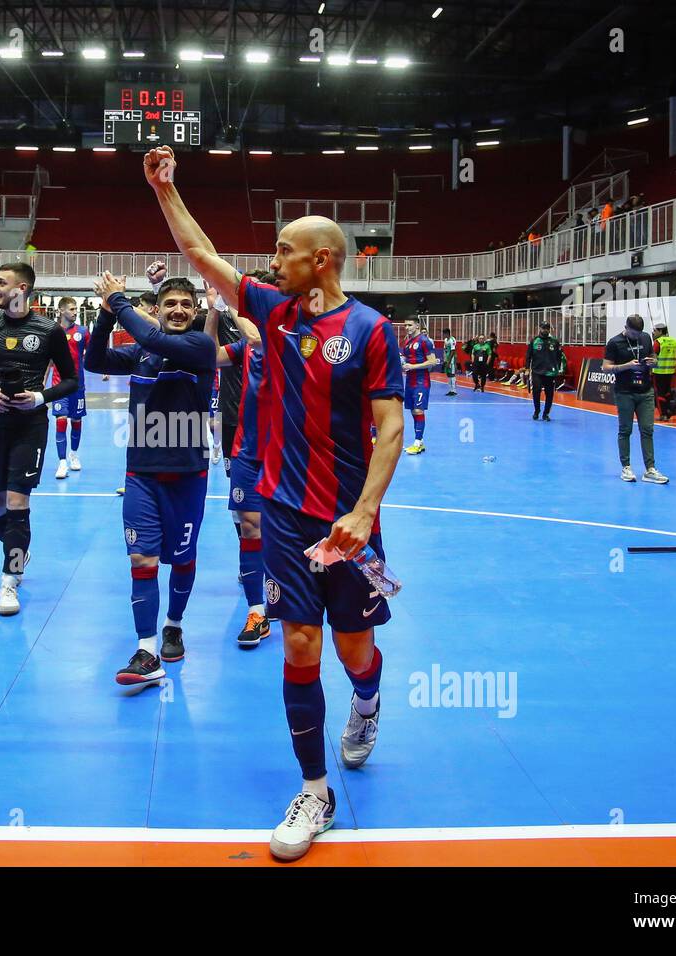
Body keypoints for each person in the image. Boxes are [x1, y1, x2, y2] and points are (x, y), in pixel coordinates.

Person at [144, 143, 406, 862]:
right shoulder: (271, 309)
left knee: (355, 649)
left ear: (322, 260)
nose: (273, 259)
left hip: (348, 521)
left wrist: (362, 511)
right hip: (284, 514)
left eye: (286, 251)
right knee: (297, 642)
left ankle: (367, 702)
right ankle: (314, 789)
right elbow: (200, 255)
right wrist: (167, 189)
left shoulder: (370, 332)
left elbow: (392, 428)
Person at [84, 271, 216, 686]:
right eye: (170, 304)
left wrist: (118, 299)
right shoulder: (143, 351)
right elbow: (94, 361)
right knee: (141, 559)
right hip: (140, 474)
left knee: (181, 557)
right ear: (157, 309)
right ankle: (145, 650)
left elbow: (158, 339)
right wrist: (106, 315)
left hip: (188, 475)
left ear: (195, 314)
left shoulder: (201, 346)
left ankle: (173, 623)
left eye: (186, 305)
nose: (178, 310)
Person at [0, 262, 78, 616]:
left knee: (17, 503)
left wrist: (40, 397)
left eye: (1, 282)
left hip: (30, 426)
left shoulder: (49, 330)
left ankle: (10, 579)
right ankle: (17, 547)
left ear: (22, 288)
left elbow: (71, 380)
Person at [206, 276, 269, 646]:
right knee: (249, 526)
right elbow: (211, 355)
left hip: (286, 450)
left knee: (283, 532)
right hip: (247, 450)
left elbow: (260, 337)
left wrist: (231, 301)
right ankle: (256, 610)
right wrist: (213, 310)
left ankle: (284, 599)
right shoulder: (245, 346)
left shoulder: (285, 334)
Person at [602, 315, 668, 483]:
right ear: (626, 327)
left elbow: (654, 357)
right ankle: (626, 467)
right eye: (633, 333)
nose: (637, 336)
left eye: (639, 333)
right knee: (625, 430)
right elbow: (606, 367)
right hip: (625, 392)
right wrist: (627, 366)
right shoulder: (614, 342)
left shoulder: (646, 337)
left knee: (647, 430)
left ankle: (650, 469)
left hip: (645, 391)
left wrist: (653, 362)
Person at [50, 297, 87, 479]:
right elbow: (47, 359)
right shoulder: (52, 332)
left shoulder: (83, 331)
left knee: (76, 421)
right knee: (61, 419)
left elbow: (95, 353)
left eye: (76, 308)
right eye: (71, 309)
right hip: (59, 384)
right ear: (61, 311)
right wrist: (41, 381)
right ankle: (62, 462)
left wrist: (104, 369)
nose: (75, 311)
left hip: (78, 385)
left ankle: (74, 454)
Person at [400, 317, 439, 454]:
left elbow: (433, 362)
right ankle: (420, 442)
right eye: (405, 325)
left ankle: (417, 442)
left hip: (421, 381)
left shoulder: (424, 341)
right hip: (410, 381)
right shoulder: (406, 342)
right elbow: (405, 358)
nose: (407, 327)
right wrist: (401, 362)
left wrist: (413, 366)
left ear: (417, 325)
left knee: (418, 410)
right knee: (412, 411)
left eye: (410, 325)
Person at [525, 319, 563, 420]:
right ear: (540, 328)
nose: (545, 330)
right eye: (543, 328)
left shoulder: (555, 342)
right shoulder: (534, 341)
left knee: (549, 393)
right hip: (537, 371)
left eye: (547, 328)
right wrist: (527, 369)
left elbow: (559, 356)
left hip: (550, 372)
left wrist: (558, 368)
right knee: (536, 391)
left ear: (549, 330)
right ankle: (537, 411)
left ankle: (546, 414)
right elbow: (528, 356)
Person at [651, 321, 676, 421]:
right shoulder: (675, 342)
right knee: (667, 393)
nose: (653, 333)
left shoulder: (658, 342)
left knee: (659, 394)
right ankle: (668, 412)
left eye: (655, 331)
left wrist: (650, 370)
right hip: (670, 372)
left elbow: (653, 358)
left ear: (660, 331)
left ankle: (663, 414)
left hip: (659, 372)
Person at [441, 327, 458, 395]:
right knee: (448, 374)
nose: (443, 335)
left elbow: (453, 351)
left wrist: (449, 361)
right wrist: (445, 359)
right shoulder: (445, 340)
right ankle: (450, 390)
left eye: (444, 334)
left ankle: (454, 391)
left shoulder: (452, 340)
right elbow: (445, 350)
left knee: (452, 374)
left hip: (451, 360)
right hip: (447, 359)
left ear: (447, 333)